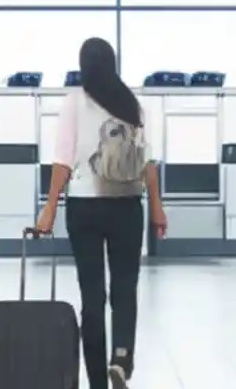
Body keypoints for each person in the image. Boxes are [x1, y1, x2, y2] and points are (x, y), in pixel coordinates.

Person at [36, 37, 167, 389]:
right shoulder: (132, 105)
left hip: (84, 207)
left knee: (92, 295)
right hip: (127, 206)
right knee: (125, 288)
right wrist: (157, 207)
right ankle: (121, 360)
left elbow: (62, 160)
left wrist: (48, 208)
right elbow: (147, 163)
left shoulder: (73, 102)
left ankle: (97, 380)